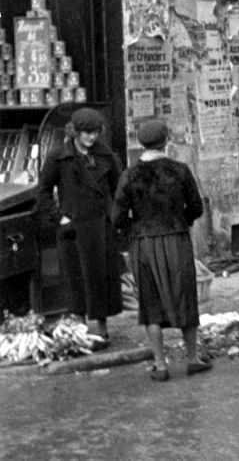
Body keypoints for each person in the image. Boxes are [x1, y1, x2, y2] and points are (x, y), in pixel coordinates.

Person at [111, 119, 208, 381]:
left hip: (143, 243)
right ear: (166, 140)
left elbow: (117, 217)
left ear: (140, 141)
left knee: (150, 302)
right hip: (176, 240)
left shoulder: (129, 175)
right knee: (184, 296)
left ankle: (160, 363)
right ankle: (192, 358)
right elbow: (196, 208)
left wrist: (136, 226)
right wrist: (180, 220)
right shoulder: (180, 171)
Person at [35, 107, 124, 345]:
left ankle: (103, 327)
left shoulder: (106, 156)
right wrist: (59, 218)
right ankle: (82, 327)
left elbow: (119, 190)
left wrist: (114, 216)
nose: (91, 138)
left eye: (94, 132)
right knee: (77, 279)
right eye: (86, 133)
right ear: (74, 132)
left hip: (100, 227)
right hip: (74, 228)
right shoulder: (58, 157)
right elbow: (43, 192)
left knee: (101, 278)